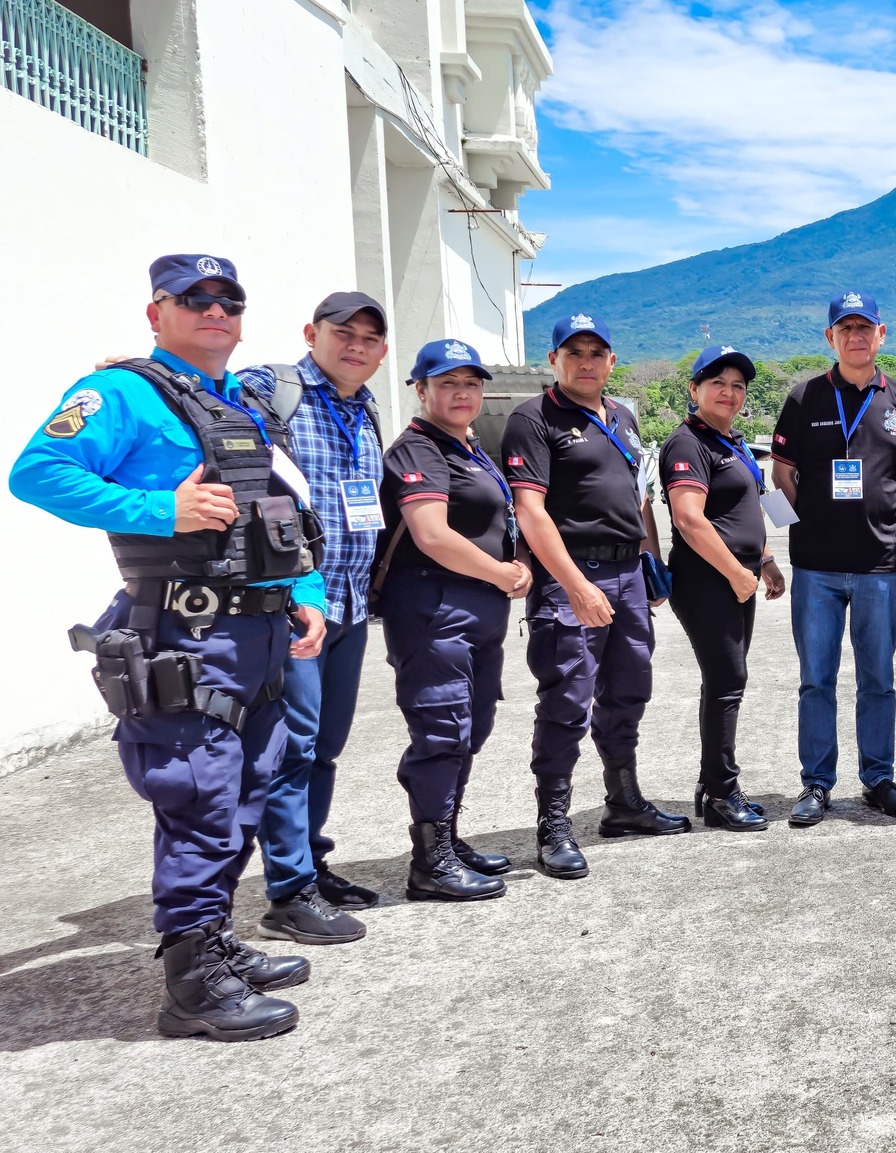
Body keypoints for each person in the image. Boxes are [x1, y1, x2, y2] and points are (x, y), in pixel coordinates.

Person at [12, 254, 328, 1041]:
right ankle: (192, 986)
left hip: (257, 632)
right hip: (187, 635)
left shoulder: (241, 403)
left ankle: (215, 941)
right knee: (200, 800)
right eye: (194, 298)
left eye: (229, 300)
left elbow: (276, 513)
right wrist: (162, 508)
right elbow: (37, 472)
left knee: (248, 792)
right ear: (157, 313)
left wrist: (304, 595)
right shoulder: (123, 392)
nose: (215, 310)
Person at [502, 313, 684, 879]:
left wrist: (651, 564)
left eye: (596, 352)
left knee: (629, 690)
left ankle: (623, 803)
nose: (586, 362)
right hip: (571, 576)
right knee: (566, 700)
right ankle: (553, 825)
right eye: (573, 352)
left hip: (628, 574)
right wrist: (575, 586)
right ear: (553, 360)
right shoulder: (533, 419)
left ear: (611, 361)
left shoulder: (622, 416)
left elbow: (638, 497)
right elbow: (530, 511)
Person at [237, 292, 390, 944]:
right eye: (343, 332)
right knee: (291, 748)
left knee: (324, 747)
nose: (357, 346)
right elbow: (217, 421)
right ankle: (288, 891)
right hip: (294, 606)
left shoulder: (365, 407)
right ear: (311, 333)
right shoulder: (270, 391)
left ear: (383, 351)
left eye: (370, 338)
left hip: (349, 605)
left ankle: (312, 863)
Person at [379, 341, 530, 900]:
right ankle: (431, 861)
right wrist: (500, 572)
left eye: (470, 383)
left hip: (479, 605)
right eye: (447, 383)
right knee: (441, 728)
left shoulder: (467, 447)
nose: (462, 393)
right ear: (421, 391)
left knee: (473, 724)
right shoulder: (417, 450)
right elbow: (432, 535)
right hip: (434, 604)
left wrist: (514, 567)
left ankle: (448, 836)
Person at [770, 291, 896, 825]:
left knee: (877, 678)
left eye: (865, 328)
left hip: (879, 564)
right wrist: (806, 520)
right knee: (817, 679)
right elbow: (781, 472)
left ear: (881, 334)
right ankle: (816, 783)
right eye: (845, 329)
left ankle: (878, 778)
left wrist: (880, 509)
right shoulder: (804, 397)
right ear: (830, 338)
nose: (856, 337)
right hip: (815, 566)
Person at [660, 345, 785, 832]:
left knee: (724, 682)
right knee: (728, 682)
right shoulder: (688, 443)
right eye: (717, 384)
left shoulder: (731, 442)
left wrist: (765, 560)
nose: (729, 393)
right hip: (707, 580)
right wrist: (736, 572)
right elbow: (689, 519)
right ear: (694, 390)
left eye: (737, 386)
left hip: (738, 578)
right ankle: (721, 793)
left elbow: (745, 510)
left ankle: (712, 781)